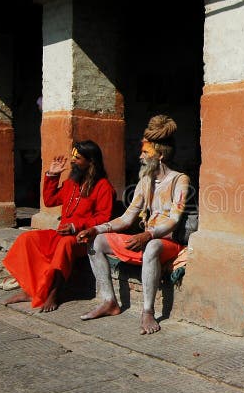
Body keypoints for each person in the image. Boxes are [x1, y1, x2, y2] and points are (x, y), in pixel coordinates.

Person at [77, 115, 190, 334]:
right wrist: (96, 229)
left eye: (145, 152)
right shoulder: (145, 181)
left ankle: (147, 311)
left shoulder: (179, 180)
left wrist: (148, 235)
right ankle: (109, 301)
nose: (140, 156)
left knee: (153, 246)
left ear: (160, 156)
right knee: (96, 241)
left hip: (166, 243)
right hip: (145, 240)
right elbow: (127, 218)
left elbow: (174, 220)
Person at [3, 140, 115, 312]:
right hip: (61, 233)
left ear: (91, 161)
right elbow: (50, 201)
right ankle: (30, 290)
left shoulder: (103, 186)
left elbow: (104, 218)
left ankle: (54, 293)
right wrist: (52, 175)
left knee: (65, 245)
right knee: (27, 239)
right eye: (73, 156)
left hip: (83, 237)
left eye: (77, 157)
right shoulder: (71, 182)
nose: (72, 160)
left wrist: (75, 226)